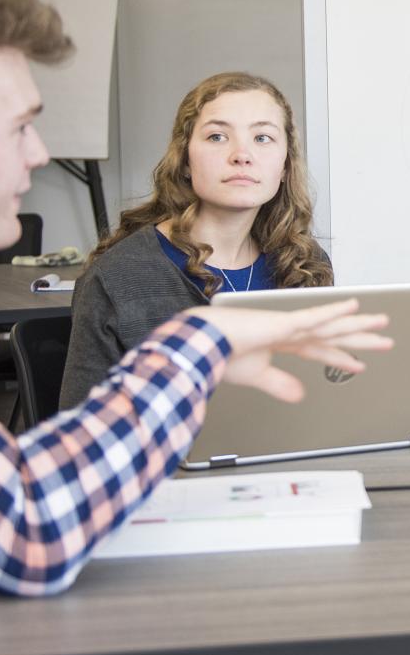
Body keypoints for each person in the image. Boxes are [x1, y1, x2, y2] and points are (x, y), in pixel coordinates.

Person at [0, 0, 390, 655]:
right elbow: (26, 525)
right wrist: (203, 339)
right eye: (20, 128)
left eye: (265, 137)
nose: (40, 154)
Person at [60, 72, 334, 408]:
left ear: (285, 163)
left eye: (263, 138)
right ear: (185, 159)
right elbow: (85, 429)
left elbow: (322, 401)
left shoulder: (305, 264)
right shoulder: (118, 277)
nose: (242, 155)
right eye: (218, 136)